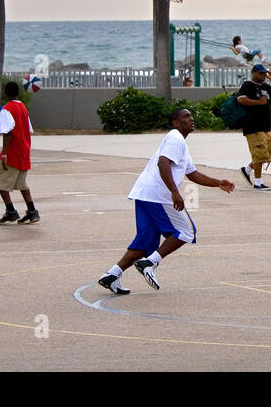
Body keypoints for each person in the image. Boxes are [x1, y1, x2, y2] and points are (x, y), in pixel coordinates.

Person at [96, 108, 235, 294]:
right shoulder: (176, 139)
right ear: (175, 123)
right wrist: (174, 192)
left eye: (191, 116)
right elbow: (163, 162)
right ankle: (150, 263)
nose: (191, 119)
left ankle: (111, 275)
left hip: (145, 193)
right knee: (186, 231)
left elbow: (192, 173)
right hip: (157, 195)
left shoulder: (179, 143)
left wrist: (218, 183)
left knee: (145, 241)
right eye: (186, 116)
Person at [0, 81, 39, 224]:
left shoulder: (6, 109)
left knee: (0, 183)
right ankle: (32, 211)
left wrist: (5, 154)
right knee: (22, 184)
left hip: (13, 152)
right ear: (17, 93)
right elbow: (29, 129)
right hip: (25, 150)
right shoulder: (22, 107)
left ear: (5, 93)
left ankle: (11, 211)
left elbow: (7, 132)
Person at [237, 63, 271, 190]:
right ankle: (258, 182)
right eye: (260, 73)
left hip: (266, 126)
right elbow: (241, 99)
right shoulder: (248, 85)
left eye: (264, 73)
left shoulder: (266, 86)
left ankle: (247, 169)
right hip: (253, 126)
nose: (263, 76)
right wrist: (257, 102)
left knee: (270, 155)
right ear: (253, 73)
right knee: (260, 154)